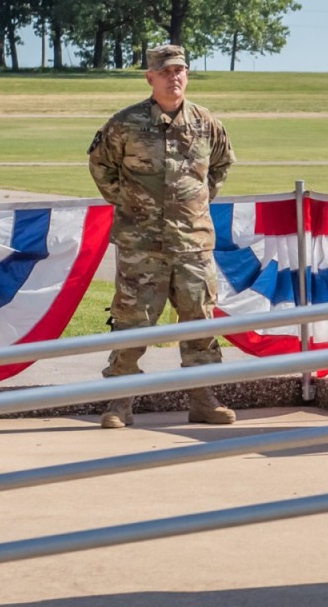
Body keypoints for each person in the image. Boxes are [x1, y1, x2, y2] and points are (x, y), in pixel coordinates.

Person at [88, 44, 237, 429]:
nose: (175, 77)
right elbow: (101, 165)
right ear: (150, 77)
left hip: (193, 244)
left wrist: (196, 204)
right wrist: (130, 203)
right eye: (166, 71)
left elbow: (220, 165)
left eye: (180, 70)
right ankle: (119, 401)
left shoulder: (206, 123)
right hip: (142, 244)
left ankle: (203, 399)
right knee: (132, 322)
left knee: (199, 322)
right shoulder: (125, 123)